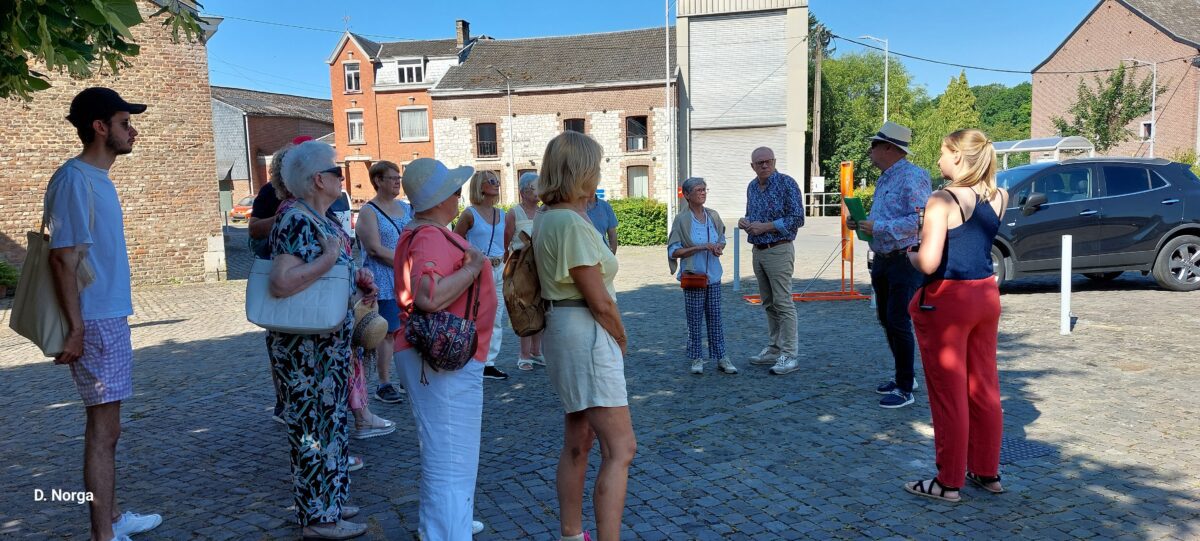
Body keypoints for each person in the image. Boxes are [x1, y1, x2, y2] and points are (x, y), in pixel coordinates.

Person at [47, 87, 161, 541]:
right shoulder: (75, 179)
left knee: (106, 428)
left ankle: (111, 518)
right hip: (94, 321)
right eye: (123, 122)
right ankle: (104, 534)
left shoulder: (95, 179)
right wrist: (76, 329)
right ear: (100, 127)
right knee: (104, 431)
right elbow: (63, 257)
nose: (132, 130)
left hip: (104, 317)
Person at [268, 141, 377, 539]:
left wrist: (355, 284)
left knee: (331, 428)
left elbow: (322, 290)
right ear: (318, 180)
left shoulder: (322, 220)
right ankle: (318, 520)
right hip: (305, 355)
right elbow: (282, 282)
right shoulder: (296, 219)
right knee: (313, 433)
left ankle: (329, 501)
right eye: (336, 172)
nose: (341, 177)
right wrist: (330, 262)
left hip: (327, 349)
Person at [533, 131, 636, 541]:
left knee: (579, 439)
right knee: (621, 448)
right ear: (581, 171)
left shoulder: (549, 216)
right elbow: (600, 301)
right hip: (586, 334)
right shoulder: (569, 222)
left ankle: (572, 534)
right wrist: (621, 339)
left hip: (566, 330)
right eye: (595, 163)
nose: (600, 169)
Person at [904, 129, 1007, 503]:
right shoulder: (999, 196)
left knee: (949, 394)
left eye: (943, 153)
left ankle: (948, 482)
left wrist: (908, 254)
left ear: (959, 158)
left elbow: (929, 261)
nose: (938, 161)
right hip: (985, 294)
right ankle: (987, 471)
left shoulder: (941, 199)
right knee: (985, 387)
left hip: (949, 301)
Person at [393, 158, 493, 539]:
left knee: (447, 452)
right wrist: (471, 270)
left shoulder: (422, 231)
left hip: (435, 357)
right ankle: (448, 533)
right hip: (442, 360)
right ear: (438, 199)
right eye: (454, 191)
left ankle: (445, 525)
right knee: (452, 456)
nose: (458, 197)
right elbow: (427, 295)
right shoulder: (432, 235)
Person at [847, 121, 933, 409]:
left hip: (903, 259)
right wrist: (860, 223)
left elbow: (920, 220)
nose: (870, 151)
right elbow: (883, 215)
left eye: (874, 145)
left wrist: (880, 226)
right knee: (886, 319)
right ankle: (903, 376)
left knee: (898, 320)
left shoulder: (914, 176)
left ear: (889, 147)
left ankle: (906, 387)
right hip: (883, 259)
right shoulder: (885, 178)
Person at [737, 146, 805, 375]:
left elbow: (797, 218)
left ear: (774, 161)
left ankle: (790, 354)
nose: (764, 165)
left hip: (779, 249)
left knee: (783, 302)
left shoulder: (787, 183)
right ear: (752, 166)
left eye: (768, 161)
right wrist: (745, 222)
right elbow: (752, 215)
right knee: (768, 302)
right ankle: (774, 349)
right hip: (758, 250)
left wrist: (767, 226)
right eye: (759, 163)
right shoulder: (752, 187)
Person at [355, 160, 412, 403]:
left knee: (406, 331)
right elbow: (375, 249)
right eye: (393, 178)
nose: (398, 181)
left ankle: (405, 379)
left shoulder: (405, 208)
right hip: (383, 280)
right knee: (387, 332)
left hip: (406, 279)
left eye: (399, 177)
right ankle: (383, 383)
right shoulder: (369, 211)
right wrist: (406, 261)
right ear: (378, 181)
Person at [667, 177, 736, 376]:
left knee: (715, 318)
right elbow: (674, 251)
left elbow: (721, 238)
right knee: (694, 319)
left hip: (713, 276)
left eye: (705, 189)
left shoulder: (713, 215)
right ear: (687, 195)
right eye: (698, 190)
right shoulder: (682, 219)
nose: (703, 193)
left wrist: (718, 248)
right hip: (693, 276)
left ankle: (722, 357)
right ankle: (697, 358)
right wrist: (700, 247)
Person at [454, 170, 509, 380]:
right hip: (478, 269)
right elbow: (456, 241)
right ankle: (472, 358)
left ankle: (489, 362)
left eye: (497, 180)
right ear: (480, 186)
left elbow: (505, 243)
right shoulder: (469, 214)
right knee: (474, 315)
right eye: (491, 181)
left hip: (499, 268)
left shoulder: (501, 214)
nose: (496, 184)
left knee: (496, 316)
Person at [503, 172, 545, 371]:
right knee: (524, 308)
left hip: (541, 265)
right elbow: (505, 242)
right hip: (521, 267)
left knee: (541, 307)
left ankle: (537, 352)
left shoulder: (544, 211)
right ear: (523, 191)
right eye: (534, 188)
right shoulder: (514, 213)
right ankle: (524, 354)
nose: (538, 192)